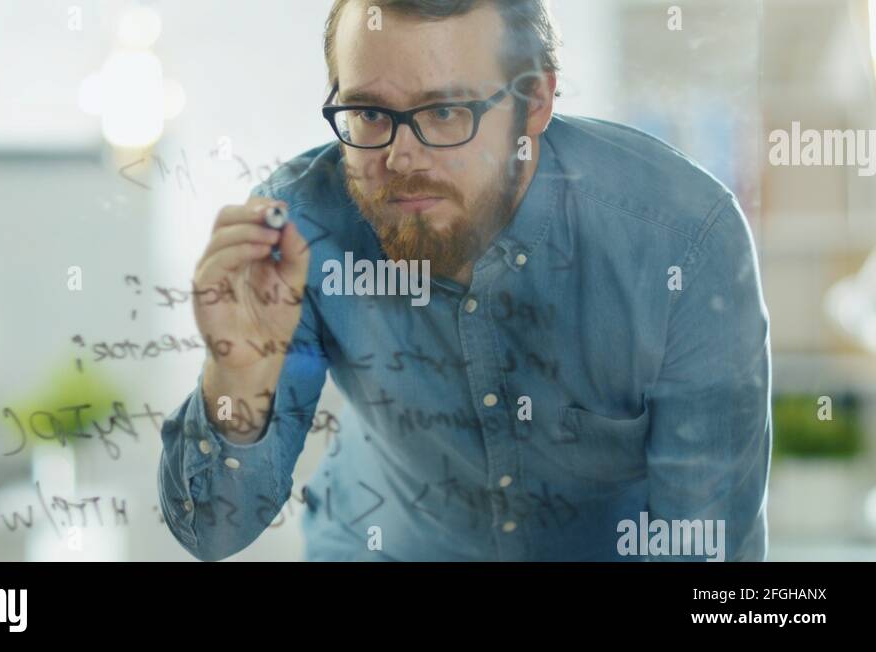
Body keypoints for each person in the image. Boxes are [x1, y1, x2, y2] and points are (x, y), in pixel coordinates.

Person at [158, 0, 772, 561]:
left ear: (534, 102)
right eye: (369, 112)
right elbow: (213, 533)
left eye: (446, 111)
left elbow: (710, 558)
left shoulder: (684, 240)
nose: (401, 159)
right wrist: (236, 374)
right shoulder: (298, 233)